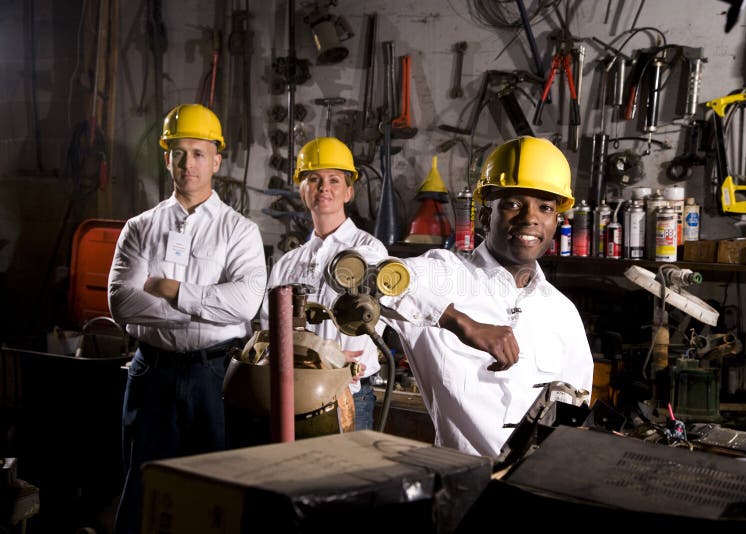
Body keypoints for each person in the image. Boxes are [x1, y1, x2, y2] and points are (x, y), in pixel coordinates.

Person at [377, 135, 594, 458]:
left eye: (545, 207)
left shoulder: (563, 313)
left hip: (540, 487)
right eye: (513, 203)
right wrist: (460, 322)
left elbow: (577, 411)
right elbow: (360, 277)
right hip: (463, 487)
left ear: (555, 224)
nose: (530, 217)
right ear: (483, 217)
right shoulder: (444, 275)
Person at [108, 103, 267, 534]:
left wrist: (172, 291)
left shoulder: (239, 232)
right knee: (144, 484)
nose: (188, 163)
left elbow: (245, 305)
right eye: (178, 153)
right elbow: (122, 303)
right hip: (152, 372)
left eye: (198, 153)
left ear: (217, 159)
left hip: (215, 376)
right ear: (166, 158)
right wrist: (205, 309)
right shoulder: (140, 227)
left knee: (217, 489)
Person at [259, 136, 386, 431]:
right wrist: (323, 356)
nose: (324, 187)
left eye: (334, 180)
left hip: (348, 395)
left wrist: (312, 355)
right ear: (302, 190)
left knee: (346, 477)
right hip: (294, 396)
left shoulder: (369, 250)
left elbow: (367, 328)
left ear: (349, 192)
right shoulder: (287, 263)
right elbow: (270, 330)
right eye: (313, 179)